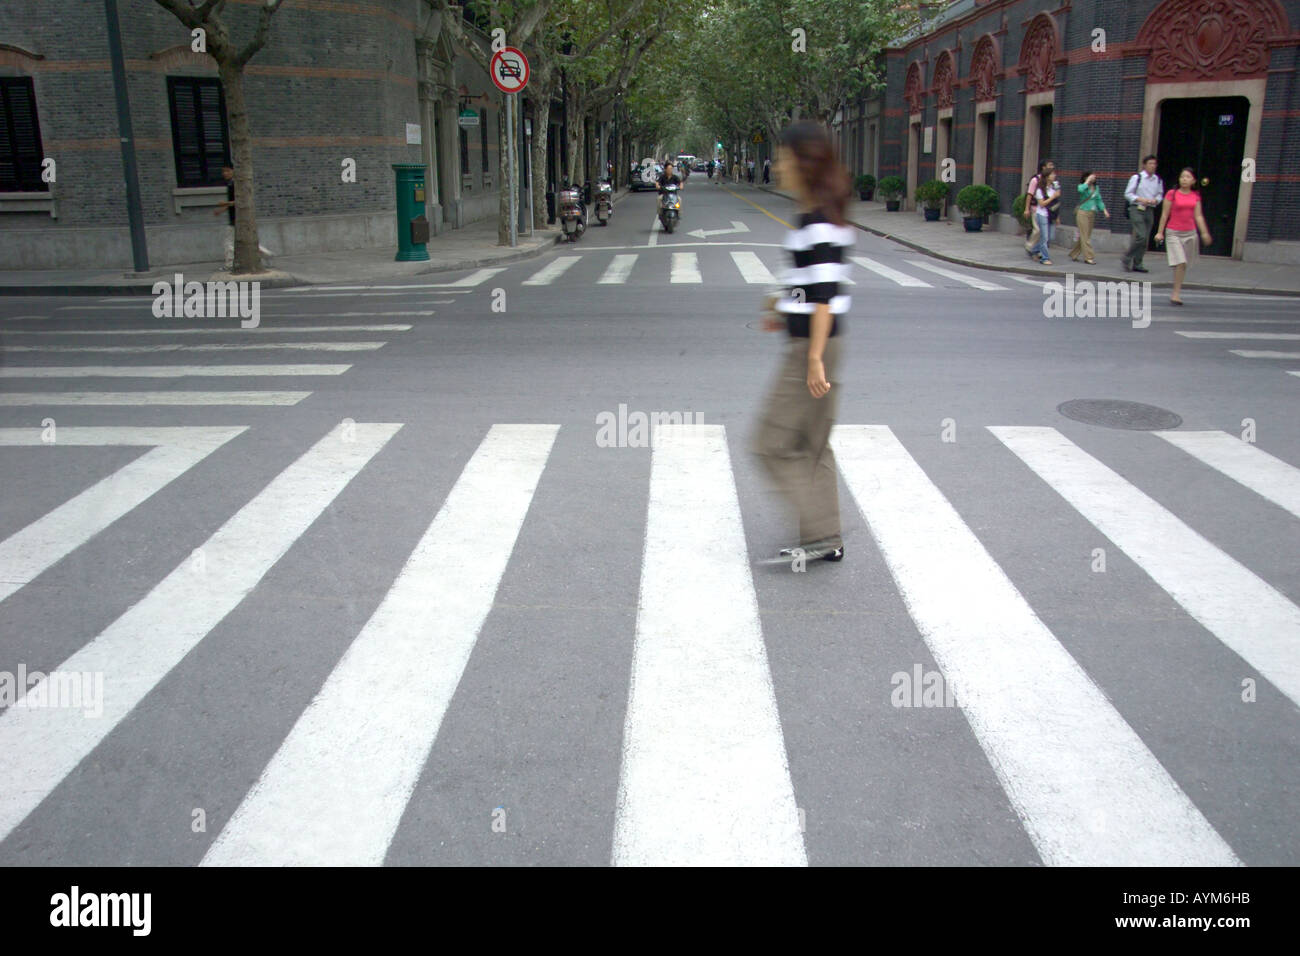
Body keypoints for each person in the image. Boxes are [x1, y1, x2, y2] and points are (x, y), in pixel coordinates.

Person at [752, 120, 855, 565]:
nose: (777, 167)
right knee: (814, 442)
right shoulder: (819, 215)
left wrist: (813, 358)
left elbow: (826, 297)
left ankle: (817, 529)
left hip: (813, 350)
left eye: (783, 158)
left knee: (768, 444)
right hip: (820, 344)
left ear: (803, 163)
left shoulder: (817, 222)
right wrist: (780, 306)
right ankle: (826, 536)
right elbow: (810, 285)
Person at [1154, 167, 1212, 306]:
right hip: (1173, 232)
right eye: (1182, 177)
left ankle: (1177, 291)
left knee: (1183, 264)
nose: (1184, 179)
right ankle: (1175, 294)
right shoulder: (1172, 194)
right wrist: (1159, 232)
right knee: (1180, 262)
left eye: (1187, 177)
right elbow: (1164, 214)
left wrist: (1204, 233)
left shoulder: (1195, 196)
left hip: (1190, 233)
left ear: (1193, 181)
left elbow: (1198, 216)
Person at [214, 164, 273, 270]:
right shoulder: (232, 184)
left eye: (227, 171)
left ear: (233, 171)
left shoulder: (233, 185)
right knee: (246, 240)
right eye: (223, 171)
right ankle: (265, 254)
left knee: (229, 242)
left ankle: (230, 264)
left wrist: (224, 203)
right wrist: (222, 209)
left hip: (236, 218)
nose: (225, 174)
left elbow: (240, 200)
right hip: (238, 217)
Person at [1123, 155, 1163, 273]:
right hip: (1137, 208)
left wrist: (1156, 200)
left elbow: (1160, 194)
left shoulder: (1158, 180)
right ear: (1144, 165)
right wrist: (1140, 199)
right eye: (1150, 163)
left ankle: (1138, 263)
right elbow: (1128, 194)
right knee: (1141, 235)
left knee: (1145, 239)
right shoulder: (1137, 178)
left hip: (1149, 209)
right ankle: (1127, 257)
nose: (1153, 166)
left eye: (1154, 164)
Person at [1070, 171, 1109, 264]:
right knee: (1085, 236)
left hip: (1092, 213)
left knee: (1086, 235)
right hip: (1083, 212)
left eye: (1094, 177)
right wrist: (1087, 181)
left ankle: (1074, 254)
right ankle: (1089, 257)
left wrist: (1104, 210)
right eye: (1091, 177)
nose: (1093, 178)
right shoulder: (1082, 186)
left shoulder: (1096, 188)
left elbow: (1099, 200)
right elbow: (1080, 190)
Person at [1023, 159, 1054, 260]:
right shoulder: (1035, 180)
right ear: (1043, 167)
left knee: (1044, 233)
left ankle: (1038, 251)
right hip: (1036, 208)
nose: (1052, 167)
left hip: (1046, 210)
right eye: (1049, 165)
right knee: (1038, 230)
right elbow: (1029, 194)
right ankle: (1030, 246)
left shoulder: (1051, 181)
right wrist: (1027, 209)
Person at [1030, 169, 1060, 265]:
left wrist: (1057, 216)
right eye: (1052, 174)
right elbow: (1042, 204)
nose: (1054, 176)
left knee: (1050, 237)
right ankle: (1045, 258)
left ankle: (1034, 249)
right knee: (1045, 237)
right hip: (1042, 214)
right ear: (1047, 177)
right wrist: (1053, 197)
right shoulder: (1040, 189)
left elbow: (1056, 202)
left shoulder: (1053, 187)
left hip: (1051, 215)